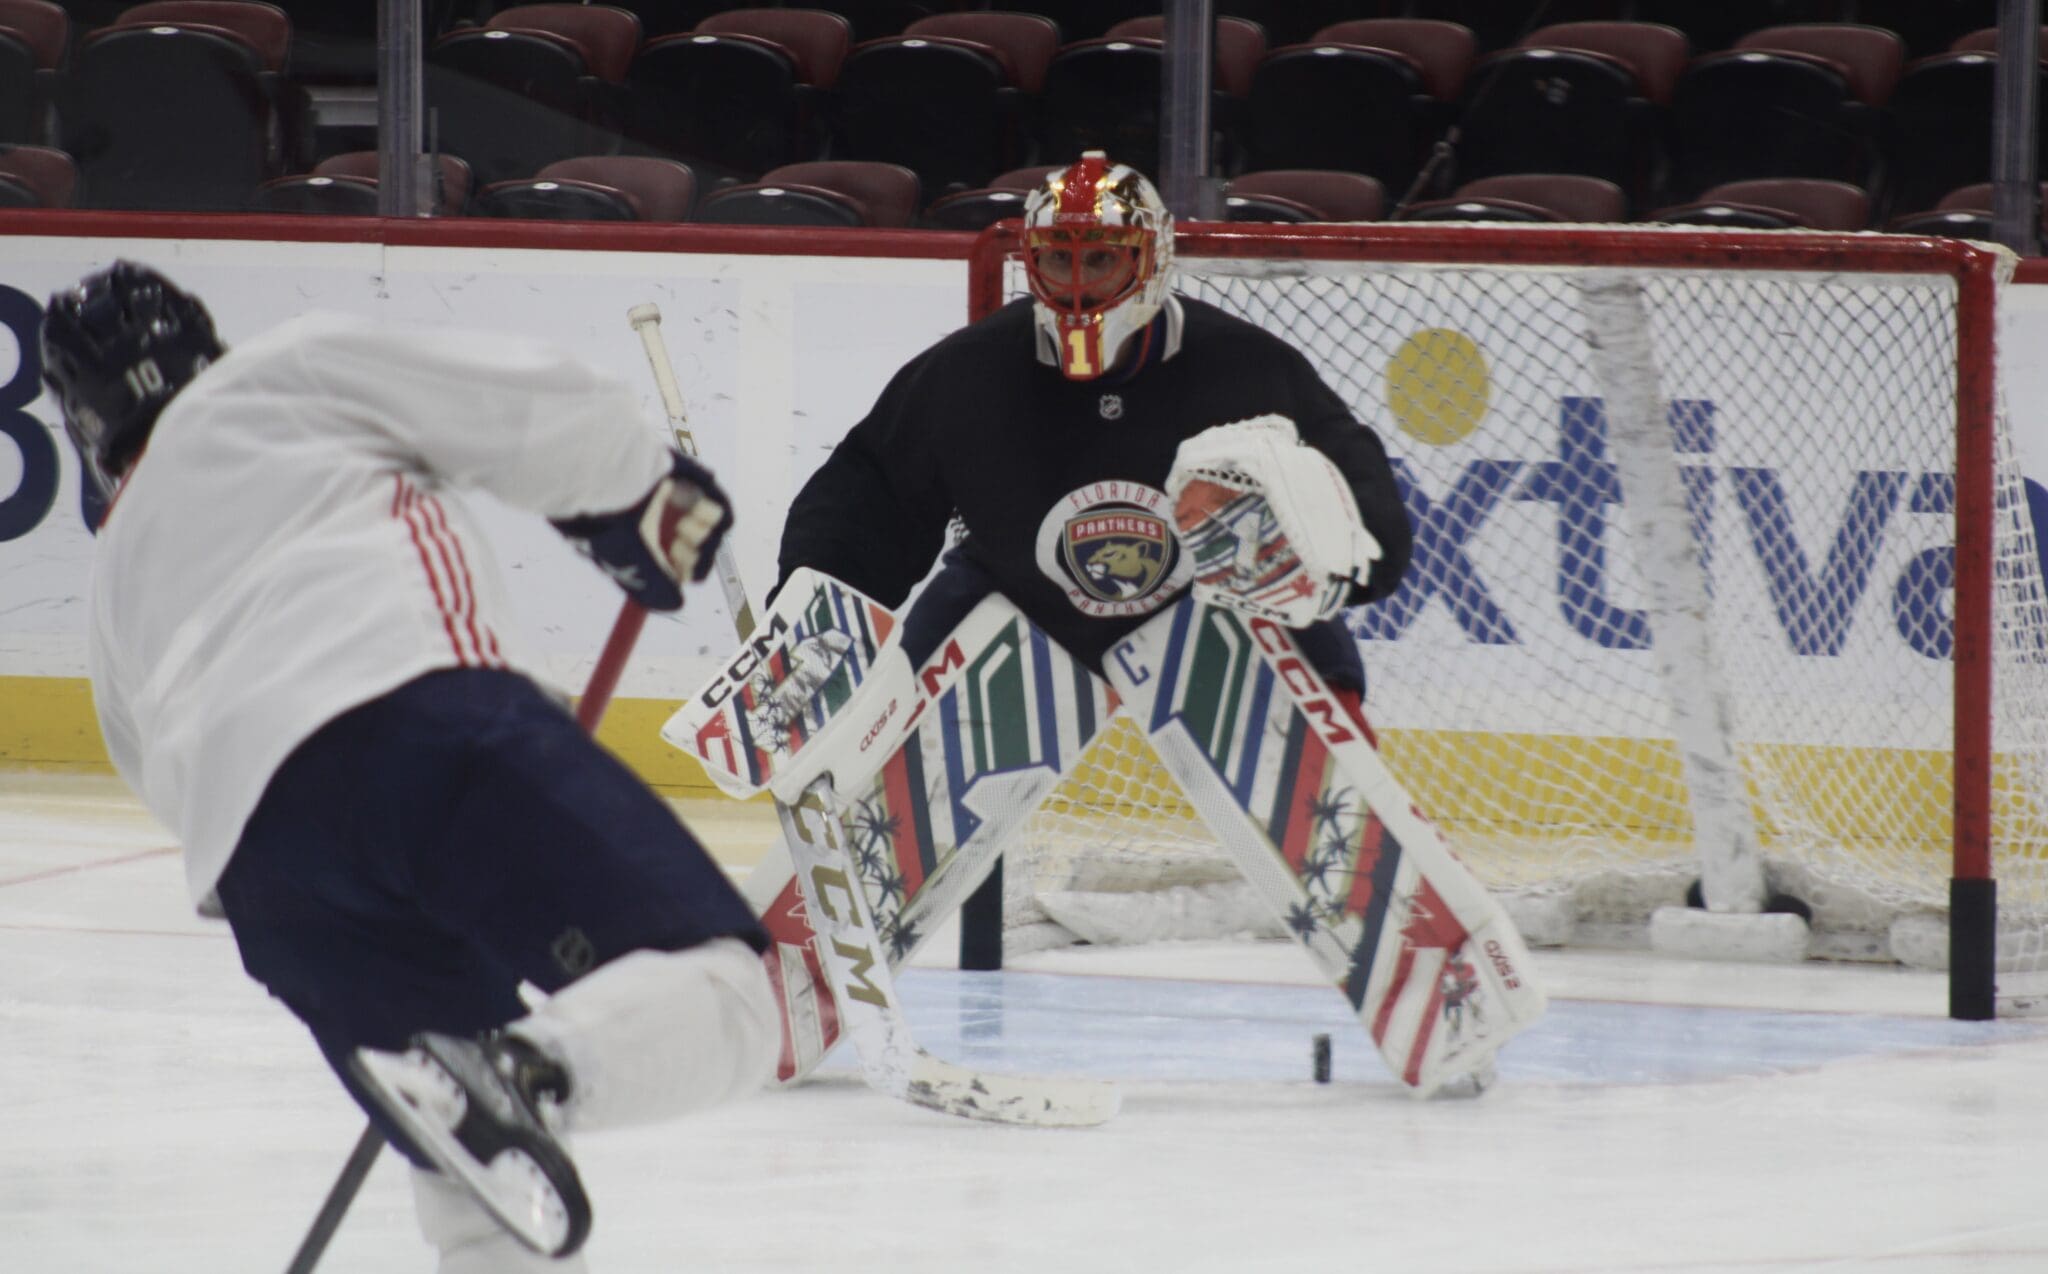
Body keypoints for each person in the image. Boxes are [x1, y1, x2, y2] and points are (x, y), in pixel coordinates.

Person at [42, 262, 779, 1271]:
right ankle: (529, 1070)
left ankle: (491, 1081)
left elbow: (170, 778)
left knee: (469, 1172)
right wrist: (638, 498)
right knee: (732, 992)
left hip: (270, 879)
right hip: (424, 729)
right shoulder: (277, 376)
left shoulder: (112, 588)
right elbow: (538, 404)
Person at [778, 151, 1412, 700]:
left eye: (1102, 258)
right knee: (889, 746)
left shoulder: (1246, 367)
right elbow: (874, 492)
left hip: (1211, 613)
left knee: (1325, 738)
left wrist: (1343, 562)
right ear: (1030, 261)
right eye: (1059, 260)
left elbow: (1351, 488)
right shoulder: (969, 371)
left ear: (1154, 258)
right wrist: (813, 614)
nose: (1078, 289)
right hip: (1020, 605)